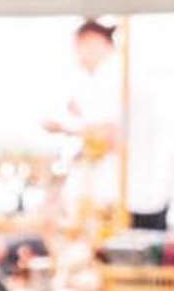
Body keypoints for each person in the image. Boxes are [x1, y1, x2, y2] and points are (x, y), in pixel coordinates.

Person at [41, 18, 130, 225]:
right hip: (99, 187)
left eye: (79, 46)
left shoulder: (113, 77)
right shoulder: (96, 80)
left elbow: (108, 134)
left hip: (112, 191)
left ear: (94, 41)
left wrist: (66, 126)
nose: (77, 55)